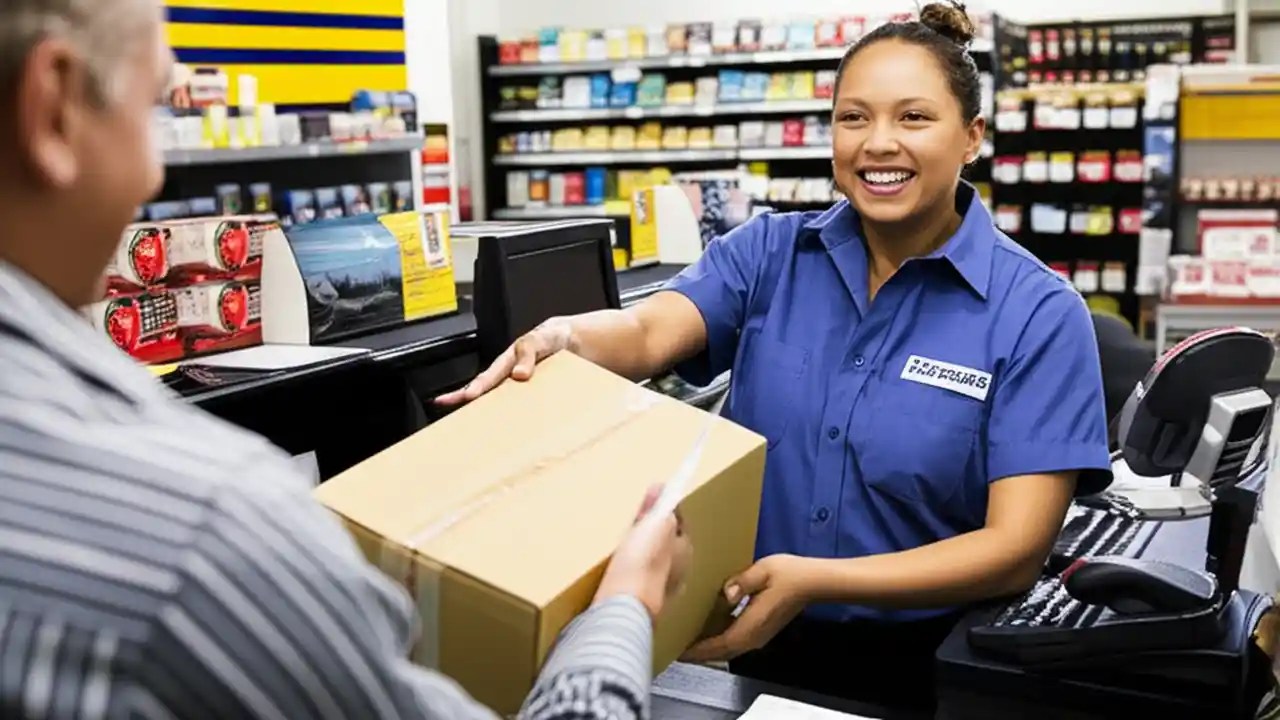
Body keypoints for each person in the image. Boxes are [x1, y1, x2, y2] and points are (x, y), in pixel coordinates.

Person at [0, 1, 688, 718]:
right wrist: (625, 608)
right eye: (149, 110)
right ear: (52, 110)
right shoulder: (199, 535)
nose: (153, 176)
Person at [439, 1, 1111, 711]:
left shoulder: (1038, 312)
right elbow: (646, 334)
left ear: (972, 136)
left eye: (914, 118)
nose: (878, 144)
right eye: (854, 118)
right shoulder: (769, 254)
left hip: (933, 667)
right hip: (753, 646)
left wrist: (816, 579)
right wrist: (566, 338)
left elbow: (1015, 550)